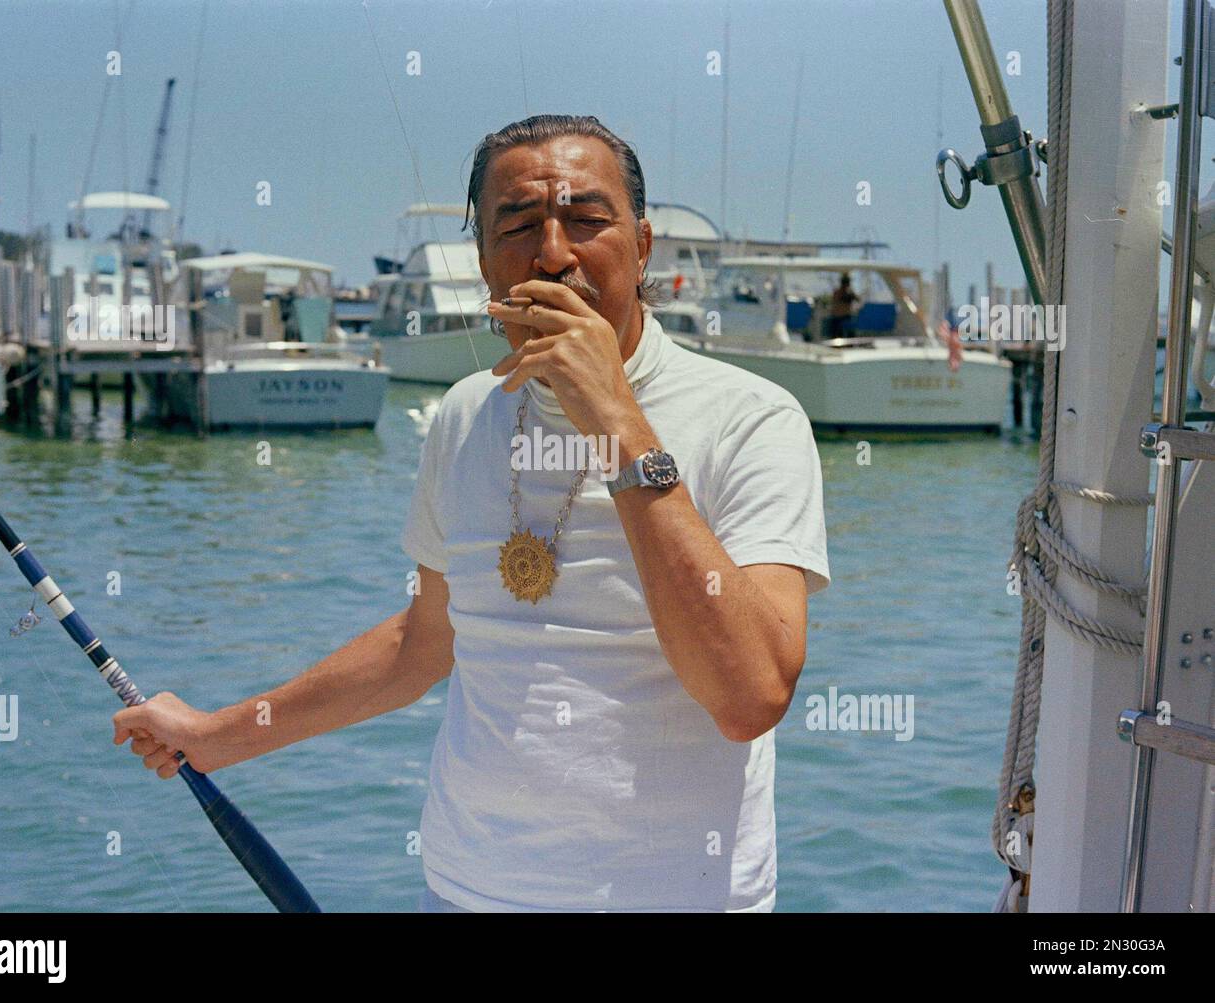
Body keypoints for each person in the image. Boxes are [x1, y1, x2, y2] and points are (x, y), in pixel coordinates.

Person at [112, 114, 830, 913]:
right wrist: (218, 735)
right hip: (464, 892)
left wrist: (618, 422)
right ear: (485, 263)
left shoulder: (754, 418)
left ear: (644, 245)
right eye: (518, 226)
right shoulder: (465, 415)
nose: (554, 253)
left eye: (587, 221)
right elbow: (426, 638)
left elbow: (752, 694)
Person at [825, 272, 860, 340]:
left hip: (844, 317)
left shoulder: (846, 293)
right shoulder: (839, 293)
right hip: (838, 317)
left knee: (846, 329)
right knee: (836, 329)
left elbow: (858, 300)